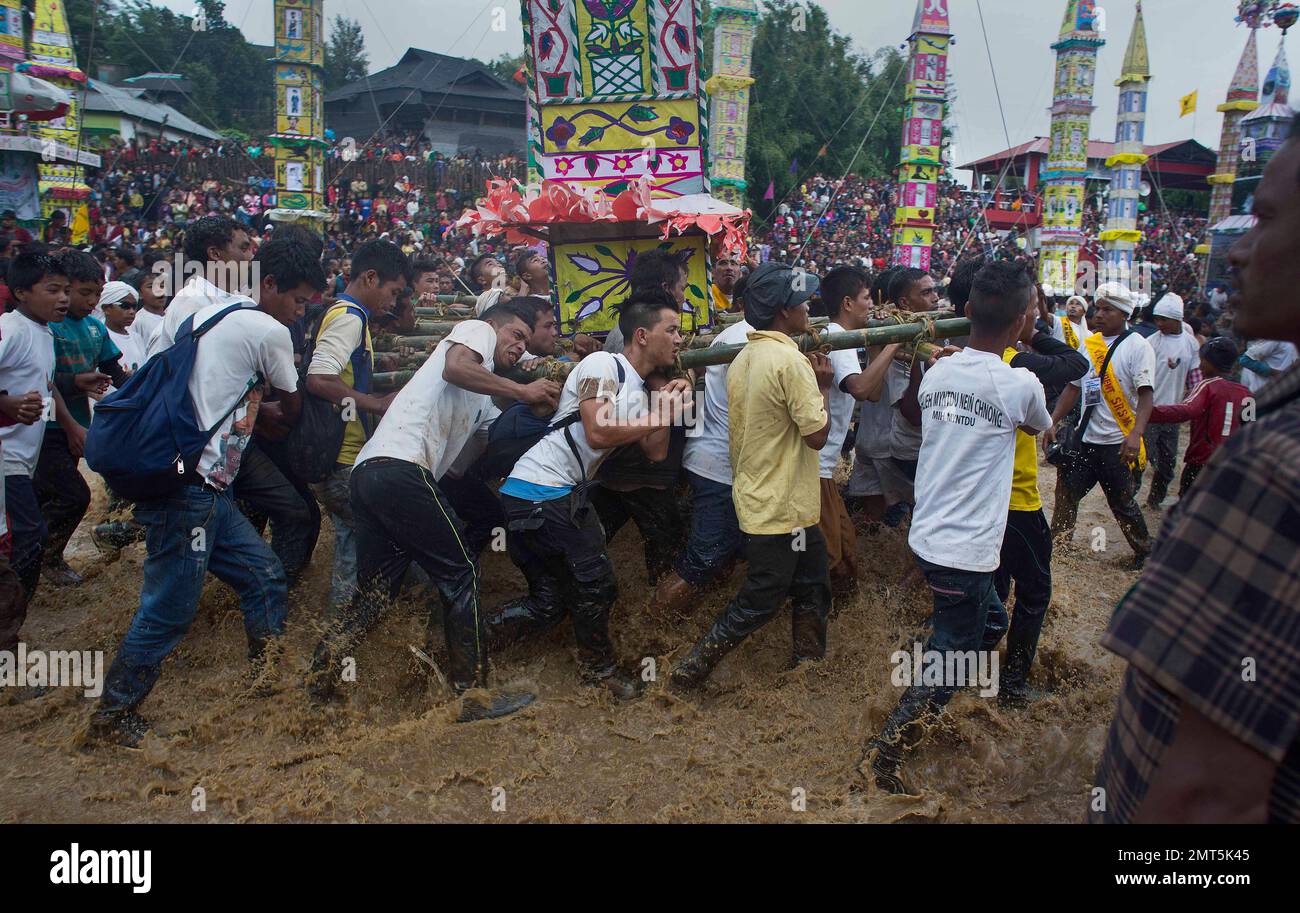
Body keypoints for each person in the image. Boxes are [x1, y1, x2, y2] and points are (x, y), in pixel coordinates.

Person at [1089, 118, 1300, 823]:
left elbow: (1205, 797)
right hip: (1172, 436)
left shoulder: (1276, 465)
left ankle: (1141, 543)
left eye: (1265, 220)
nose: (1237, 251)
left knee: (1144, 496)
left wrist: (1140, 432)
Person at [89, 240, 306, 748]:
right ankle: (112, 716)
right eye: (299, 300)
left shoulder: (206, 315)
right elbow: (292, 407)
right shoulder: (264, 328)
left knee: (264, 574)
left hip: (201, 487)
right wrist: (275, 412)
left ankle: (266, 682)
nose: (301, 312)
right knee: (168, 608)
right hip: (188, 491)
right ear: (269, 286)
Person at [306, 300, 558, 719]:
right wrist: (522, 390)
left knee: (377, 593)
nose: (518, 347)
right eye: (516, 336)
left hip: (371, 476)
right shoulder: (474, 329)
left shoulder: (482, 401)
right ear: (495, 327)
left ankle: (319, 680)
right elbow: (456, 367)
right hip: (401, 470)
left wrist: (536, 413)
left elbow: (460, 466)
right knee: (461, 573)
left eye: (525, 345)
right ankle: (470, 696)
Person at [860, 262, 1051, 794]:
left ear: (964, 311)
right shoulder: (1021, 384)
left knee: (988, 626)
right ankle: (885, 754)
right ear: (1021, 322)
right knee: (961, 647)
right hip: (964, 553)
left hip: (927, 539)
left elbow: (927, 403)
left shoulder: (939, 371)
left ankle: (927, 666)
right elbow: (1042, 427)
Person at [489, 291, 690, 699]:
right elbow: (597, 430)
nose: (679, 339)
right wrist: (659, 414)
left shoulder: (639, 389)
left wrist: (665, 402)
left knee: (550, 602)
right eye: (671, 330)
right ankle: (599, 673)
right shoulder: (603, 364)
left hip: (544, 494)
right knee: (597, 583)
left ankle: (466, 643)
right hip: (541, 489)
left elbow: (656, 452)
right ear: (642, 335)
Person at [668, 262, 833, 692]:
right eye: (803, 301)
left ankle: (808, 665)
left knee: (814, 579)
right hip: (779, 506)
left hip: (776, 500)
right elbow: (816, 436)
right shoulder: (790, 362)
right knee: (761, 597)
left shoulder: (745, 356)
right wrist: (824, 387)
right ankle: (690, 671)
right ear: (784, 311)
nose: (809, 307)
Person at [991, 270, 1089, 707]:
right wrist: (1034, 331)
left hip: (981, 502)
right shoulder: (1017, 365)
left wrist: (1026, 323)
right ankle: (1011, 685)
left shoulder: (959, 360)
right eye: (1030, 310)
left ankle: (974, 669)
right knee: (1035, 591)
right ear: (1017, 318)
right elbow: (1077, 365)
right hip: (1017, 501)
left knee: (995, 586)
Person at [304, 239, 409, 619]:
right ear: (370, 277)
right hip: (343, 459)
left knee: (352, 548)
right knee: (396, 539)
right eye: (393, 292)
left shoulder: (340, 313)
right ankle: (352, 632)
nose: (394, 303)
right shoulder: (350, 316)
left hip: (338, 458)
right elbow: (320, 379)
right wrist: (377, 403)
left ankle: (338, 634)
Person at [1045, 282, 1155, 566]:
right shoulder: (1089, 344)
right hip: (1084, 438)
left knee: (1122, 503)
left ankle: (1144, 551)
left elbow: (1146, 395)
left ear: (1124, 315)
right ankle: (1060, 545)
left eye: (1109, 310)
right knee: (1066, 494)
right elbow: (1073, 388)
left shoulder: (1138, 347)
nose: (1100, 314)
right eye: (1099, 308)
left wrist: (1136, 434)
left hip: (1116, 443)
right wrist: (1052, 421)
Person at [35, 250, 127, 586]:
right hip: (43, 426)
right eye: (84, 292)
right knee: (73, 496)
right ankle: (42, 555)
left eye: (96, 294)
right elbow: (40, 379)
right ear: (63, 289)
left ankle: (36, 559)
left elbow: (114, 370)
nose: (91, 301)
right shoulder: (47, 327)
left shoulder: (93, 329)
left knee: (49, 495)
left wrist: (144, 396)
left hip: (73, 424)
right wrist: (74, 385)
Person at [0, 253, 80, 636]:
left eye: (66, 290)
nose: (63, 298)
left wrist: (68, 424)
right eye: (53, 290)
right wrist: (6, 403)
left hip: (23, 460)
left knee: (24, 540)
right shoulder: (10, 331)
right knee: (26, 540)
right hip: (6, 460)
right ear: (21, 292)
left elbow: (45, 386)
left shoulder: (44, 331)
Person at [814, 266, 900, 586]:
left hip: (823, 466)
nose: (871, 305)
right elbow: (861, 389)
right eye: (867, 298)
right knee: (833, 557)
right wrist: (894, 343)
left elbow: (873, 393)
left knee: (846, 549)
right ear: (848, 303)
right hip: (817, 466)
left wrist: (878, 341)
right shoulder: (837, 338)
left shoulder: (844, 337)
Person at [1145, 336, 1251, 498]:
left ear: (1212, 363)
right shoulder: (1247, 393)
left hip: (1203, 461)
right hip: (1232, 464)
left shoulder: (1208, 385)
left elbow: (1186, 411)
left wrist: (1146, 412)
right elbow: (1251, 430)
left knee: (1186, 509)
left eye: (1202, 361)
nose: (1200, 366)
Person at [1141, 293, 1200, 509]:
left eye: (1163, 319)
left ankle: (1154, 501)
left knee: (1167, 465)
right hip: (1150, 411)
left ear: (1177, 320)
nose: (1159, 323)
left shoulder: (1190, 343)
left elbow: (1195, 378)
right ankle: (1128, 498)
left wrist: (1193, 404)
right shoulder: (1151, 343)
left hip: (1174, 412)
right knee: (1141, 459)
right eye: (1157, 319)